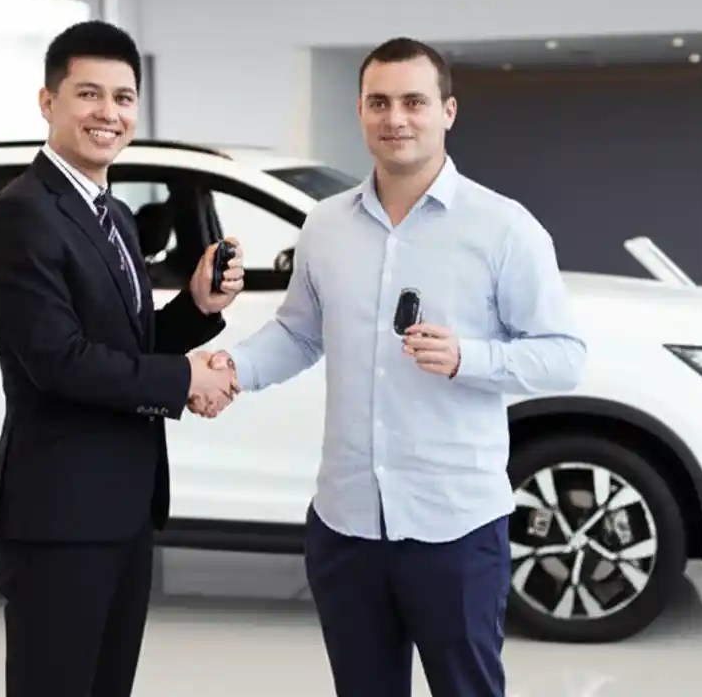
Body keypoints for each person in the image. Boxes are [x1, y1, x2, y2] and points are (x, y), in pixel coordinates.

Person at [193, 37, 586, 696]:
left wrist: (469, 357)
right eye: (379, 102)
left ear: (448, 111)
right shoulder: (325, 226)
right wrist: (233, 366)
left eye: (413, 101)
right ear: (360, 111)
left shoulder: (503, 228)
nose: (395, 118)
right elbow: (298, 332)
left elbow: (563, 357)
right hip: (346, 523)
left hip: (454, 526)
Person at [0, 20, 245, 697]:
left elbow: (121, 344)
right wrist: (186, 380)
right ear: (48, 102)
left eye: (124, 98)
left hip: (121, 508)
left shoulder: (113, 214)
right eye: (88, 94)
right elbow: (59, 362)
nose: (109, 113)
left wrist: (196, 308)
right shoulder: (23, 215)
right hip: (60, 516)